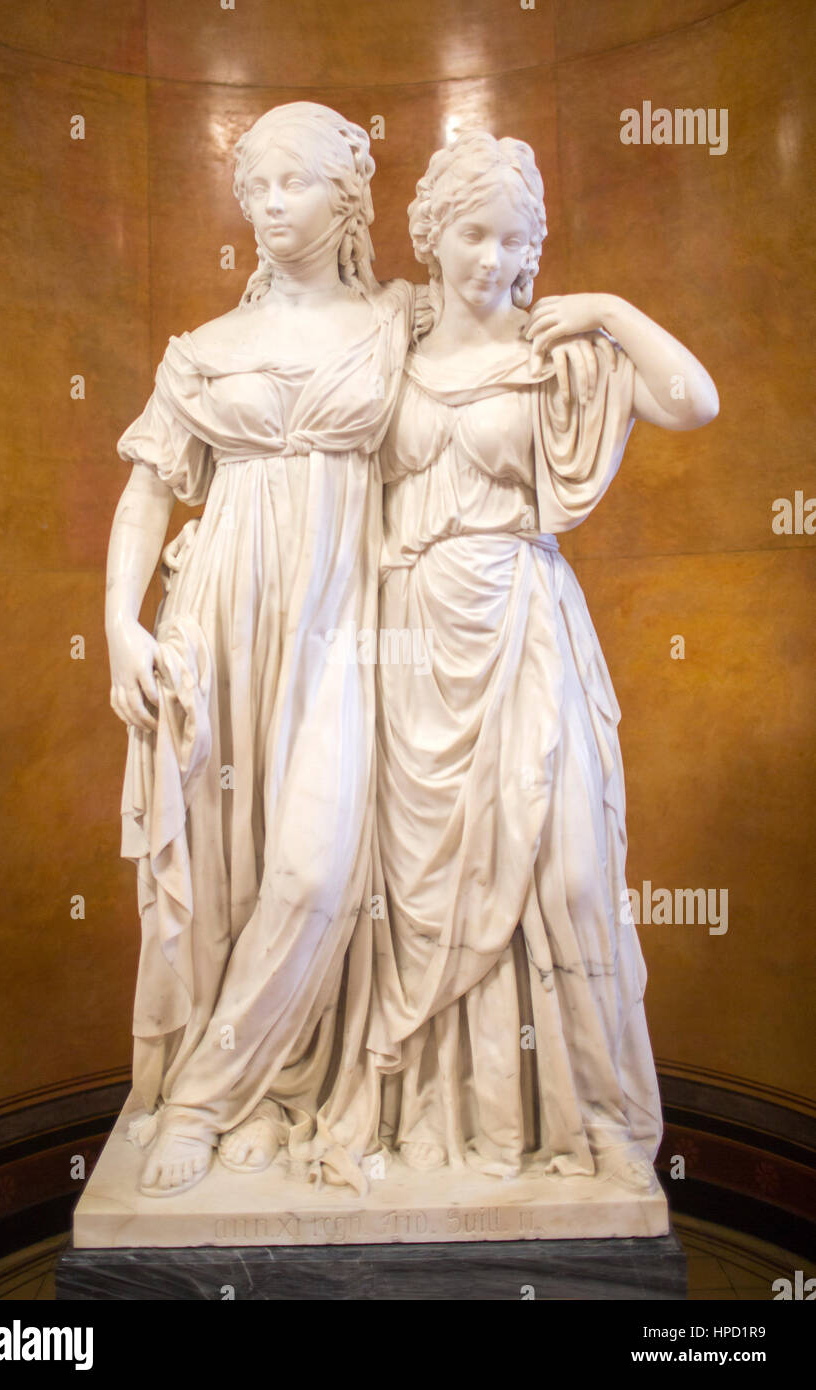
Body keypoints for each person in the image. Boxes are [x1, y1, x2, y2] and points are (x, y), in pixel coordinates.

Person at [370, 131, 719, 1190]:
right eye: (472, 233)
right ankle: (445, 1124)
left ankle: (575, 1124)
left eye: (514, 239)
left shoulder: (557, 348)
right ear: (430, 233)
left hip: (523, 629)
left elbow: (691, 399)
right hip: (406, 647)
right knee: (415, 892)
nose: (491, 259)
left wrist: (608, 308)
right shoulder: (387, 348)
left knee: (563, 874)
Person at [105, 103, 412, 1196]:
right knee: (227, 874)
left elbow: (497, 343)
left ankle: (216, 1092)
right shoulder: (205, 350)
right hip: (220, 622)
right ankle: (236, 1093)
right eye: (254, 189)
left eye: (293, 183)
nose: (269, 205)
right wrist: (119, 624)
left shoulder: (395, 323)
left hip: (348, 624)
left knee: (315, 864)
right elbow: (148, 490)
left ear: (348, 195)